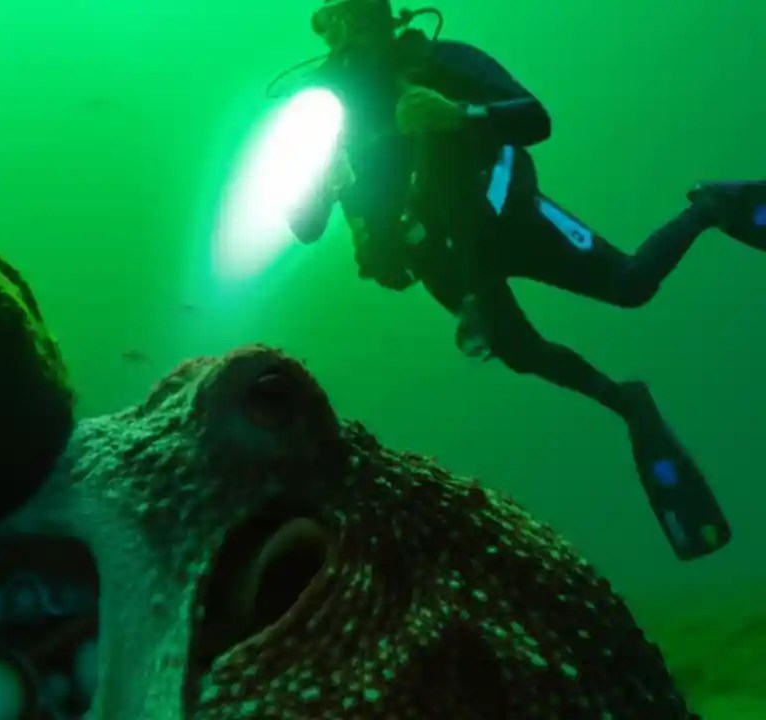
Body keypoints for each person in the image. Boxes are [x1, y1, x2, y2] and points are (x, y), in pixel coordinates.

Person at [286, 0, 766, 560]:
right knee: (518, 350)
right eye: (339, 20)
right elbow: (305, 226)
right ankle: (626, 404)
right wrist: (316, 186)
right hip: (443, 260)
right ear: (329, 30)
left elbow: (536, 118)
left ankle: (709, 208)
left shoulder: (443, 61)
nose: (353, 33)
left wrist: (458, 114)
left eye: (364, 15)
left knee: (631, 285)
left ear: (387, 17)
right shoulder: (327, 115)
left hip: (507, 213)